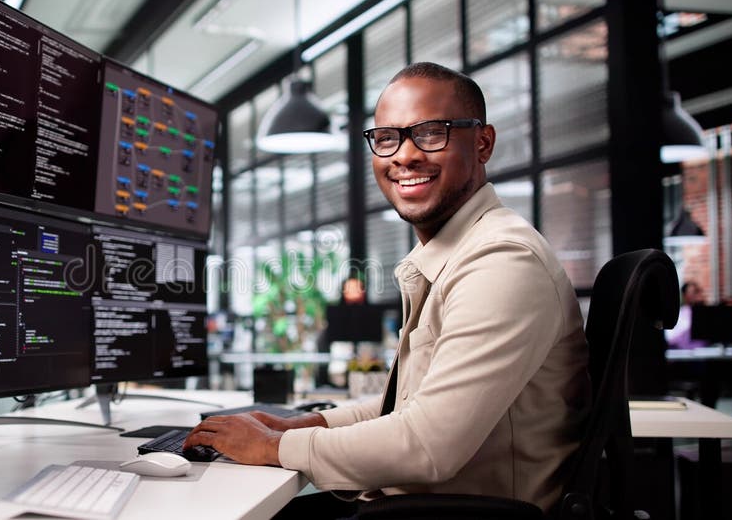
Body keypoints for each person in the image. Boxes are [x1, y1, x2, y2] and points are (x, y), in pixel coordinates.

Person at [185, 62, 590, 515]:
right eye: (386, 138)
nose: (404, 155)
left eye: (431, 133)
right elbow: (402, 408)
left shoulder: (501, 261)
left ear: (483, 143)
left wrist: (272, 447)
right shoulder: (456, 254)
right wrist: (298, 425)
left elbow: (427, 444)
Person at [663, 281, 707, 350]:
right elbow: (670, 338)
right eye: (695, 292)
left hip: (704, 352)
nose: (699, 295)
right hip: (682, 353)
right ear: (685, 295)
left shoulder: (705, 314)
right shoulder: (679, 314)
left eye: (699, 291)